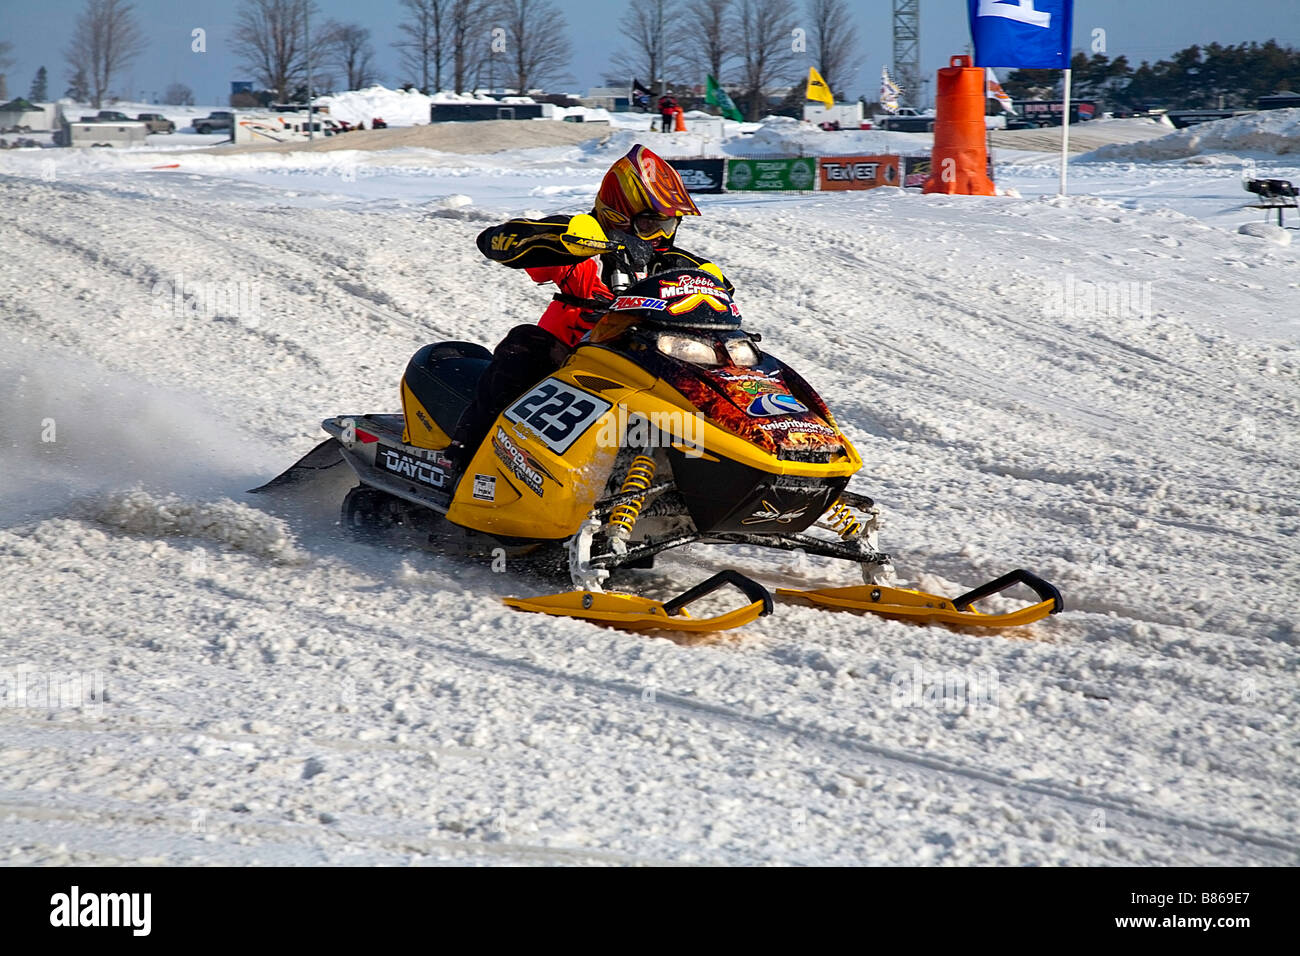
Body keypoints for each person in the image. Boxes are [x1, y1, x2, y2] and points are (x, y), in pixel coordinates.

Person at [446, 144, 731, 470]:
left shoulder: (670, 262)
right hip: (567, 364)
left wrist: (714, 283)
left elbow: (718, 298)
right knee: (524, 343)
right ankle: (465, 456)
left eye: (669, 225)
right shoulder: (584, 248)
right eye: (652, 225)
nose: (661, 237)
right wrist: (562, 240)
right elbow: (495, 241)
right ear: (619, 215)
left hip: (642, 367)